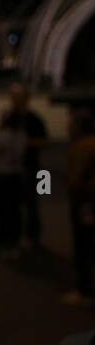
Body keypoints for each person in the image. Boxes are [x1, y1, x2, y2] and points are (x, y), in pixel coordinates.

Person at [2, 83, 48, 248]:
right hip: (10, 166)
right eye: (13, 97)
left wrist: (26, 143)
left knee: (31, 202)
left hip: (30, 166)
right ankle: (14, 234)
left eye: (18, 97)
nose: (14, 100)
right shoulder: (8, 117)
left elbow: (43, 140)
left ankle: (33, 236)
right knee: (12, 202)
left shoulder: (33, 119)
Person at [61, 106, 95, 307]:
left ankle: (85, 289)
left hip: (85, 200)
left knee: (83, 243)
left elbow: (76, 177)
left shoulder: (82, 146)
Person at [0, 107, 26, 258]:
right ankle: (14, 242)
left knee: (1, 211)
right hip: (16, 176)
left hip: (0, 176)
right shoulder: (21, 135)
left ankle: (1, 241)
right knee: (14, 211)